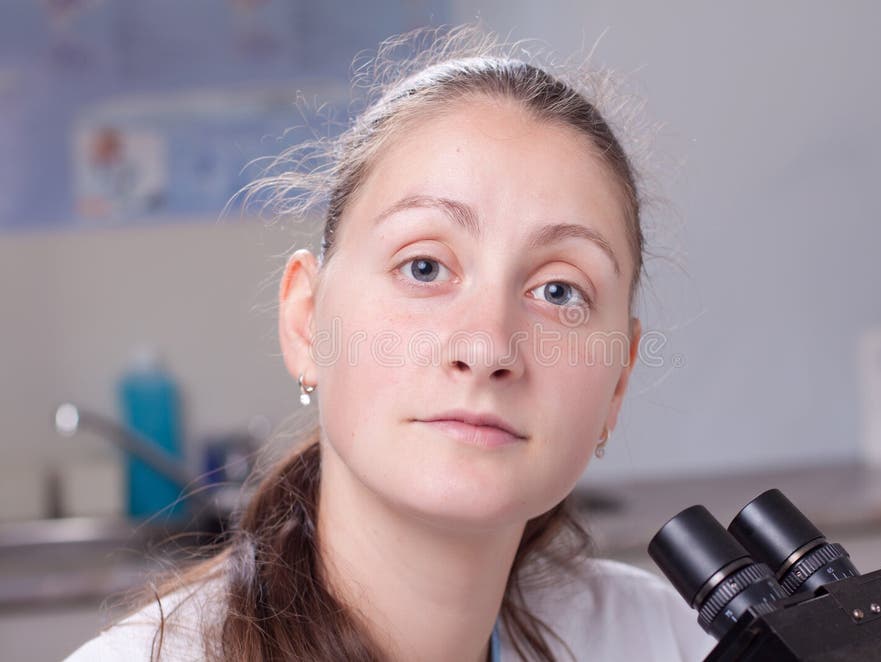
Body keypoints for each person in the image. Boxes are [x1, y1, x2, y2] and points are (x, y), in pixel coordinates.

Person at [65, 23, 714, 662]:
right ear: (306, 321)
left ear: (618, 382)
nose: (487, 348)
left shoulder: (663, 639)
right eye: (424, 268)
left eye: (558, 292)